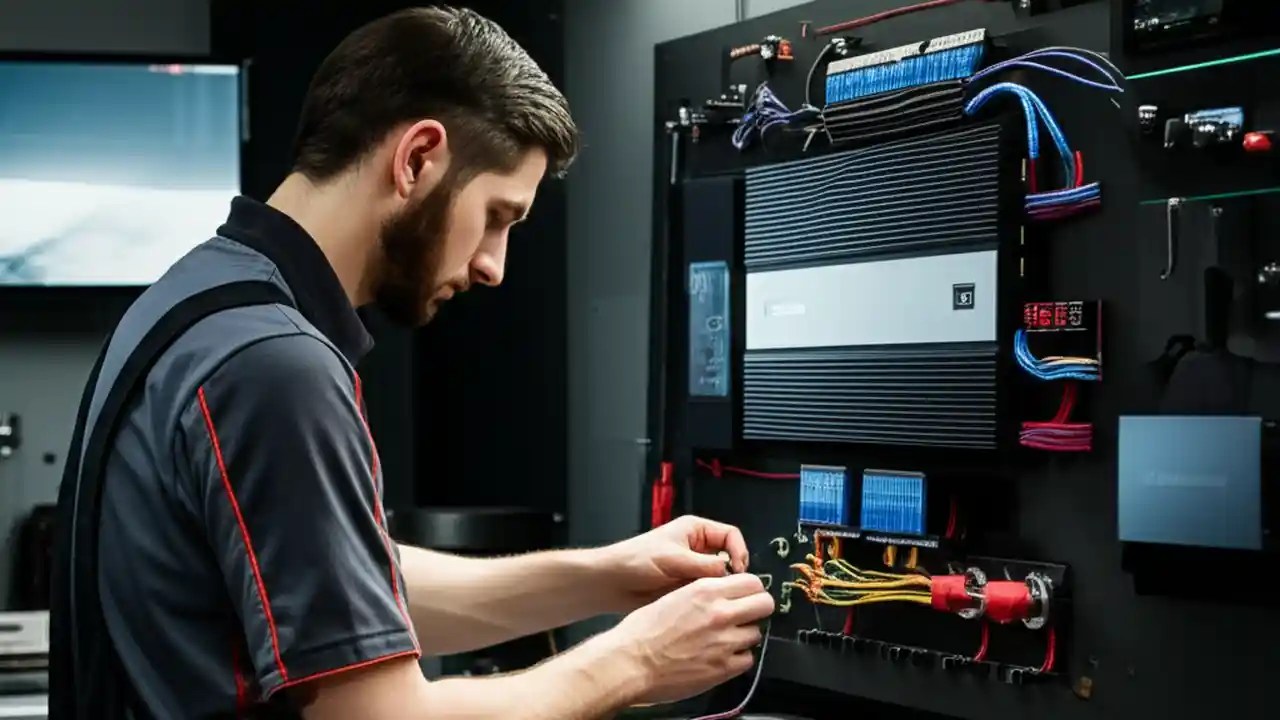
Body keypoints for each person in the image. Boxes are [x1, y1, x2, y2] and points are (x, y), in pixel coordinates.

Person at [49, 5, 775, 720]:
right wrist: (636, 661)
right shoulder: (276, 367)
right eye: (497, 216)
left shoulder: (196, 303)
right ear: (418, 158)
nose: (494, 266)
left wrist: (611, 577)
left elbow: (349, 590)